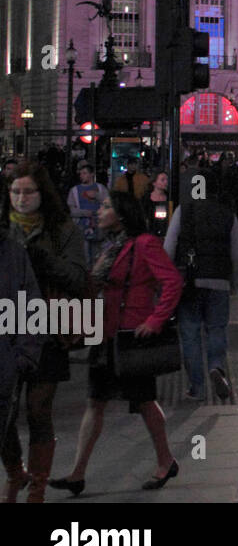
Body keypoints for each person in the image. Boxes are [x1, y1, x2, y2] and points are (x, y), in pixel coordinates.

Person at [49, 191, 184, 495]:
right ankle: (77, 473)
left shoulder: (145, 244)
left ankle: (165, 461)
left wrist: (155, 320)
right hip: (106, 334)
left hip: (131, 337)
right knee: (95, 401)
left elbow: (172, 281)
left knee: (144, 401)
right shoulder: (111, 247)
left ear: (121, 214)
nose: (100, 212)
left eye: (107, 207)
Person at [1, 162, 88, 502]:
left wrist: (41, 260)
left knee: (38, 409)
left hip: (47, 328)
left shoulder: (62, 229)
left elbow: (79, 278)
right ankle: (14, 472)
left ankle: (37, 484)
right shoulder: (4, 229)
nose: (22, 199)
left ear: (42, 193)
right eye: (15, 192)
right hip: (7, 327)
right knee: (5, 413)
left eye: (28, 191)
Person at [164, 172, 238, 401]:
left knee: (189, 332)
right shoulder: (228, 215)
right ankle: (216, 366)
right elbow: (237, 256)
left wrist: (167, 281)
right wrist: (235, 284)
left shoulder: (183, 211)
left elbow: (168, 249)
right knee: (216, 329)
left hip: (189, 281)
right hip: (219, 282)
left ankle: (196, 387)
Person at [0, 235, 41, 500]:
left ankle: (17, 475)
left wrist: (25, 354)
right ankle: (16, 473)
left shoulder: (11, 252)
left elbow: (28, 304)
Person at [67, 161, 109, 266]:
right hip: (81, 227)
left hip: (98, 227)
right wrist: (85, 213)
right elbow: (71, 210)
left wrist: (97, 196)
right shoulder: (74, 190)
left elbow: (109, 204)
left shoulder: (100, 189)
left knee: (97, 255)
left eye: (85, 173)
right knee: (84, 255)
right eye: (81, 174)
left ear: (92, 174)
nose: (82, 176)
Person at [140, 170, 170, 237]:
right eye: (162, 180)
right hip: (150, 233)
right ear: (154, 183)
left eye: (167, 179)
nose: (166, 182)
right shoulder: (146, 199)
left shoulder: (170, 197)